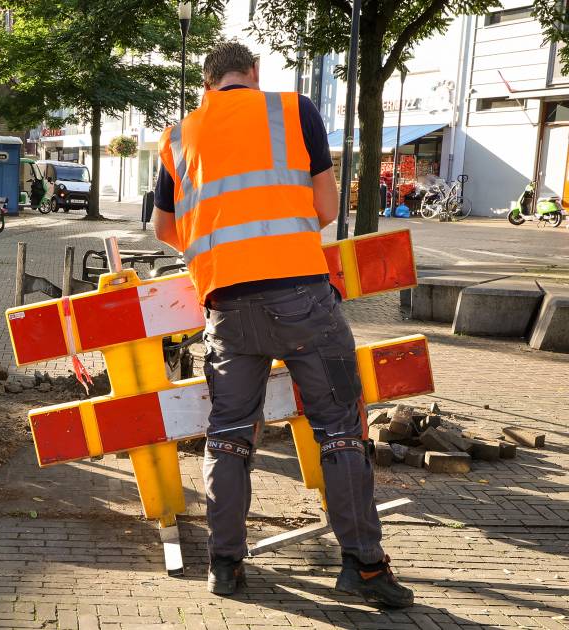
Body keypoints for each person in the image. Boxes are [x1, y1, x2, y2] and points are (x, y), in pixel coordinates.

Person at [152, 42, 412, 608]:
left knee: (228, 435)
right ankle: (365, 569)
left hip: (227, 304)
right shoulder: (295, 110)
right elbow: (322, 208)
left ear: (207, 82)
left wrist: (218, 248)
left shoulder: (176, 136)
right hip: (302, 298)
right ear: (255, 74)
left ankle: (226, 566)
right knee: (341, 430)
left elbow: (163, 228)